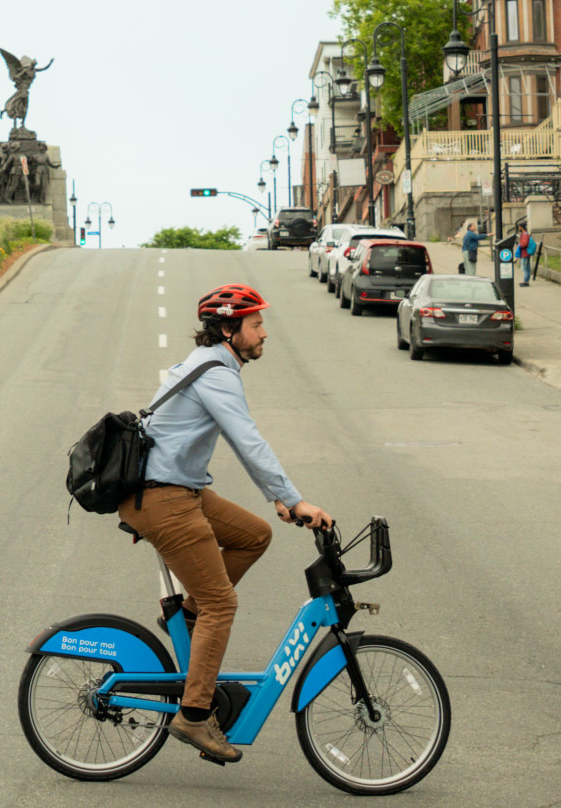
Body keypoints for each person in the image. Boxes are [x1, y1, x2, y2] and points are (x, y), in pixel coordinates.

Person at [120, 283, 332, 764]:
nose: (263, 334)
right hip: (163, 498)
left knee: (254, 535)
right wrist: (294, 499)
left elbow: (240, 443)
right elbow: (248, 440)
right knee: (223, 602)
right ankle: (194, 716)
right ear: (229, 329)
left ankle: (192, 617)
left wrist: (277, 502)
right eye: (256, 325)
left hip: (177, 489)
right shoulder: (217, 372)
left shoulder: (213, 366)